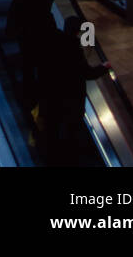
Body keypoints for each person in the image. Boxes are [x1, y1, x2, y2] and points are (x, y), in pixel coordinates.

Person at [37, 16, 109, 161]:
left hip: (53, 95)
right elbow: (87, 73)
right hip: (72, 99)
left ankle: (52, 154)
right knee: (71, 130)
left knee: (55, 126)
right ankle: (68, 157)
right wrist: (104, 67)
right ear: (78, 31)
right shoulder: (74, 49)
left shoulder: (53, 43)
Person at [4, 0, 55, 107]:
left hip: (28, 32)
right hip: (45, 28)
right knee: (43, 61)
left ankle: (30, 95)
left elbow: (15, 11)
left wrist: (10, 29)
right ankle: (44, 91)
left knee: (28, 63)